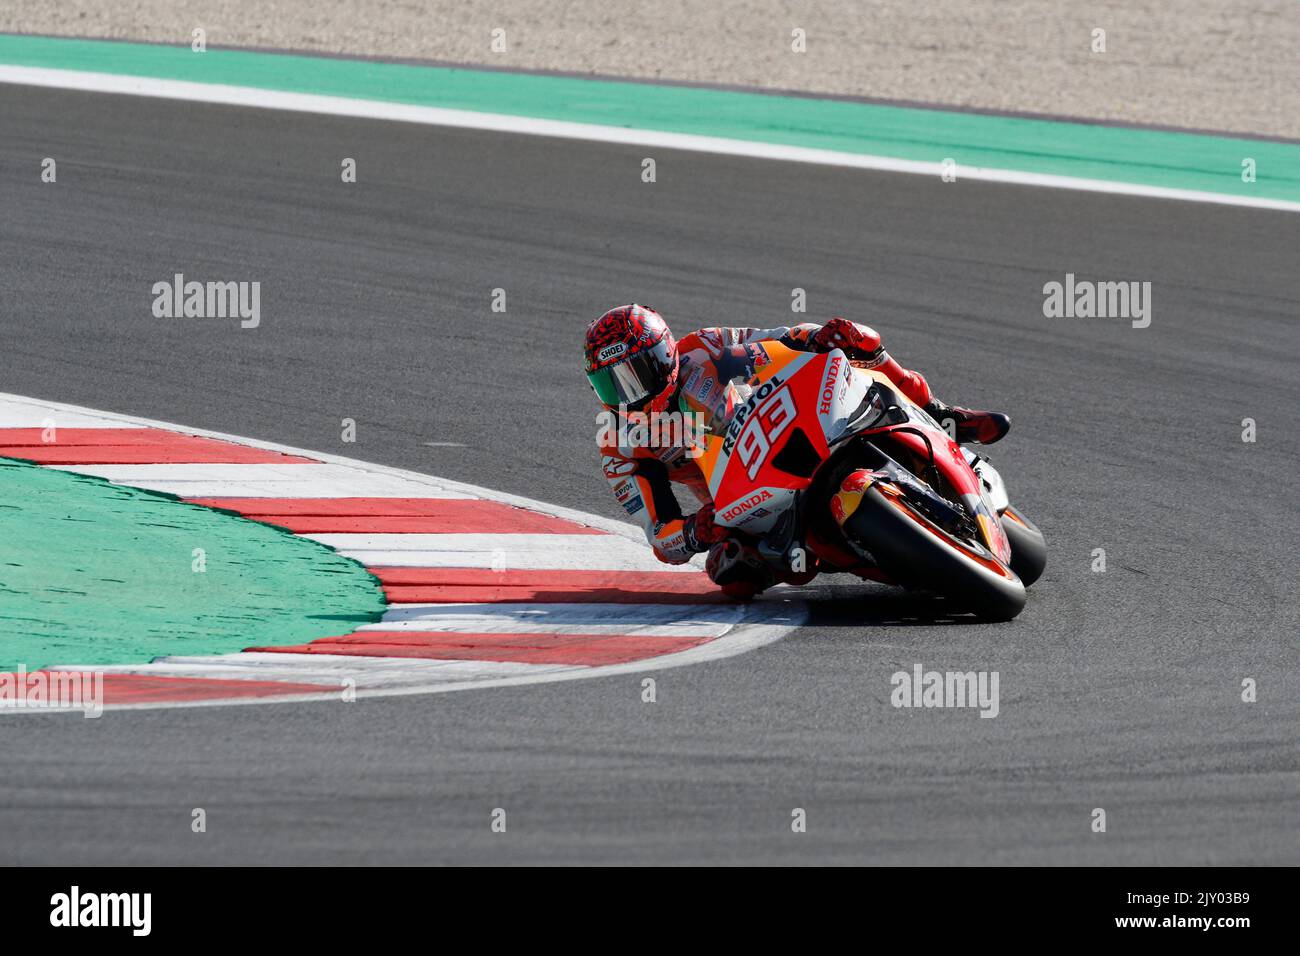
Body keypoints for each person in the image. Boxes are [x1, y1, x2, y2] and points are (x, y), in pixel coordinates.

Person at [585, 304, 1010, 596]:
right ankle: (862, 549)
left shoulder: (702, 351)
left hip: (779, 427)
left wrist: (820, 337)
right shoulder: (619, 442)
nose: (628, 396)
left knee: (854, 340)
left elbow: (777, 341)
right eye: (612, 385)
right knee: (731, 576)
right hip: (738, 499)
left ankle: (941, 412)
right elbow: (660, 537)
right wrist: (698, 530)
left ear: (663, 355)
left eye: (633, 376)